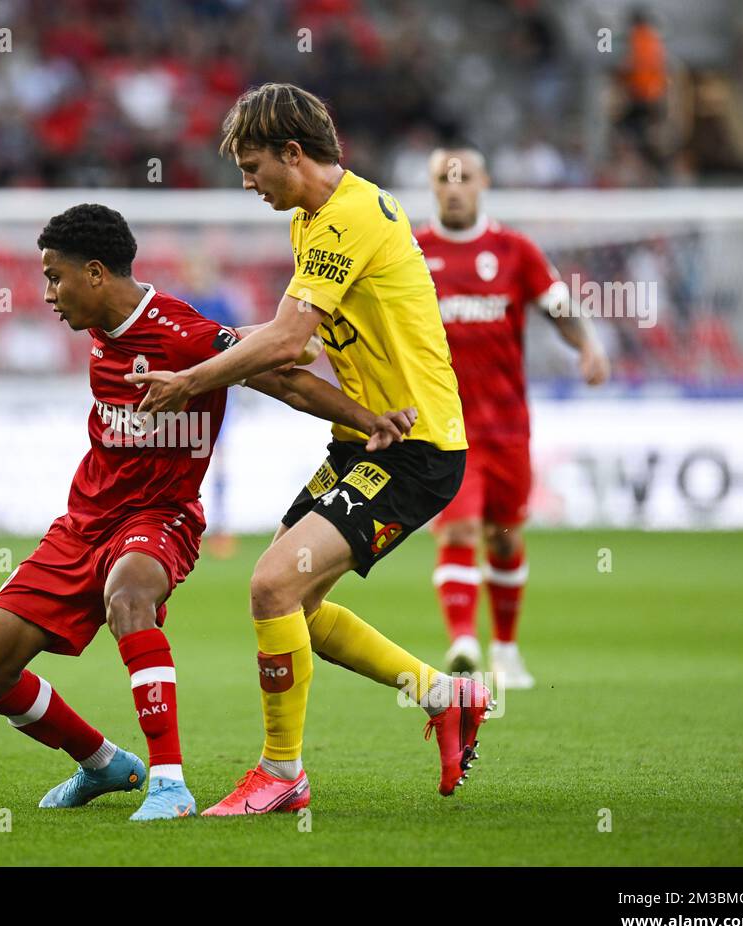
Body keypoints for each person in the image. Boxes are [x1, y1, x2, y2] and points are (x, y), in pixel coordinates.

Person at [0, 203, 416, 820]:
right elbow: (274, 345)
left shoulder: (179, 335)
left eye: (54, 277)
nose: (46, 294)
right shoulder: (101, 327)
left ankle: (169, 785)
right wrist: (266, 335)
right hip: (82, 522)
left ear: (95, 273)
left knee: (129, 597)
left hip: (161, 517)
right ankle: (101, 763)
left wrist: (365, 421)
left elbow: (284, 376)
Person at [130, 83, 490, 814]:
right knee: (299, 607)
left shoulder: (347, 218)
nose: (247, 181)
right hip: (368, 438)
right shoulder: (314, 218)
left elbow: (287, 340)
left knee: (271, 586)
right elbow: (283, 357)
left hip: (415, 446)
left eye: (254, 165)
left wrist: (191, 378)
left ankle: (283, 772)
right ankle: (445, 696)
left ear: (294, 154)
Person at [416, 145, 609, 687]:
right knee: (459, 530)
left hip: (507, 428)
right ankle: (463, 644)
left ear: (483, 183)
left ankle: (505, 649)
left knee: (503, 537)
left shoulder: (513, 249)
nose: (454, 188)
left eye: (464, 178)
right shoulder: (411, 250)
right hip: (443, 428)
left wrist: (587, 346)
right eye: (443, 179)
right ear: (433, 186)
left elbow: (557, 307)